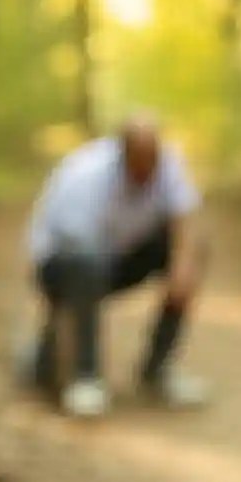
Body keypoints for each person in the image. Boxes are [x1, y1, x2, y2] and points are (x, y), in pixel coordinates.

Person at [26, 113, 209, 417]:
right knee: (86, 267)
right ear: (122, 154)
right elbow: (76, 250)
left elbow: (183, 218)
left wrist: (182, 266)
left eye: (153, 161)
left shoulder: (167, 165)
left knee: (194, 252)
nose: (148, 172)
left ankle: (158, 371)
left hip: (114, 259)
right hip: (61, 265)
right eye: (140, 162)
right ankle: (85, 376)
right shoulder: (86, 175)